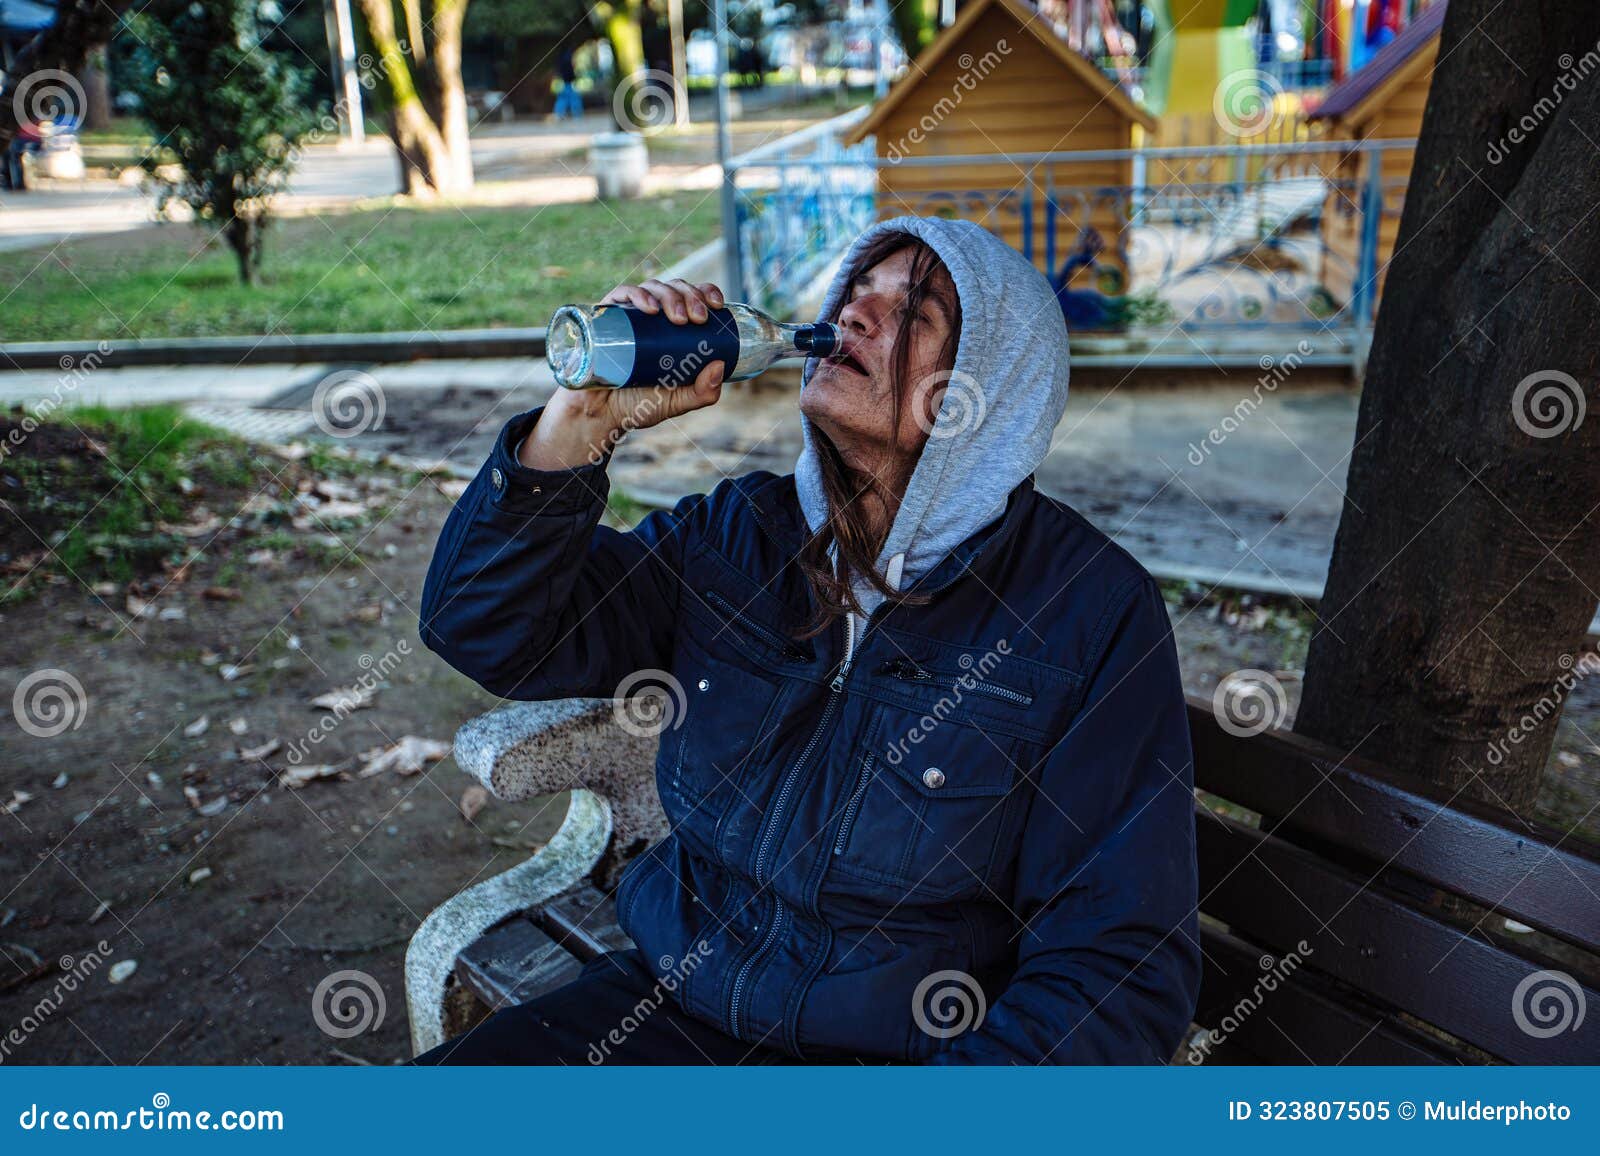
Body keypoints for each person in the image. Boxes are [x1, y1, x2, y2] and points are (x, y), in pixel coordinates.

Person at [417, 215, 1200, 1064]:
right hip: (667, 1006)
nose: (858, 315)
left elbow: (1117, 970)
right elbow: (482, 627)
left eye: (916, 312)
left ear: (991, 386)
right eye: (858, 292)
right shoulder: (741, 534)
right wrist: (580, 420)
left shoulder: (1086, 612)